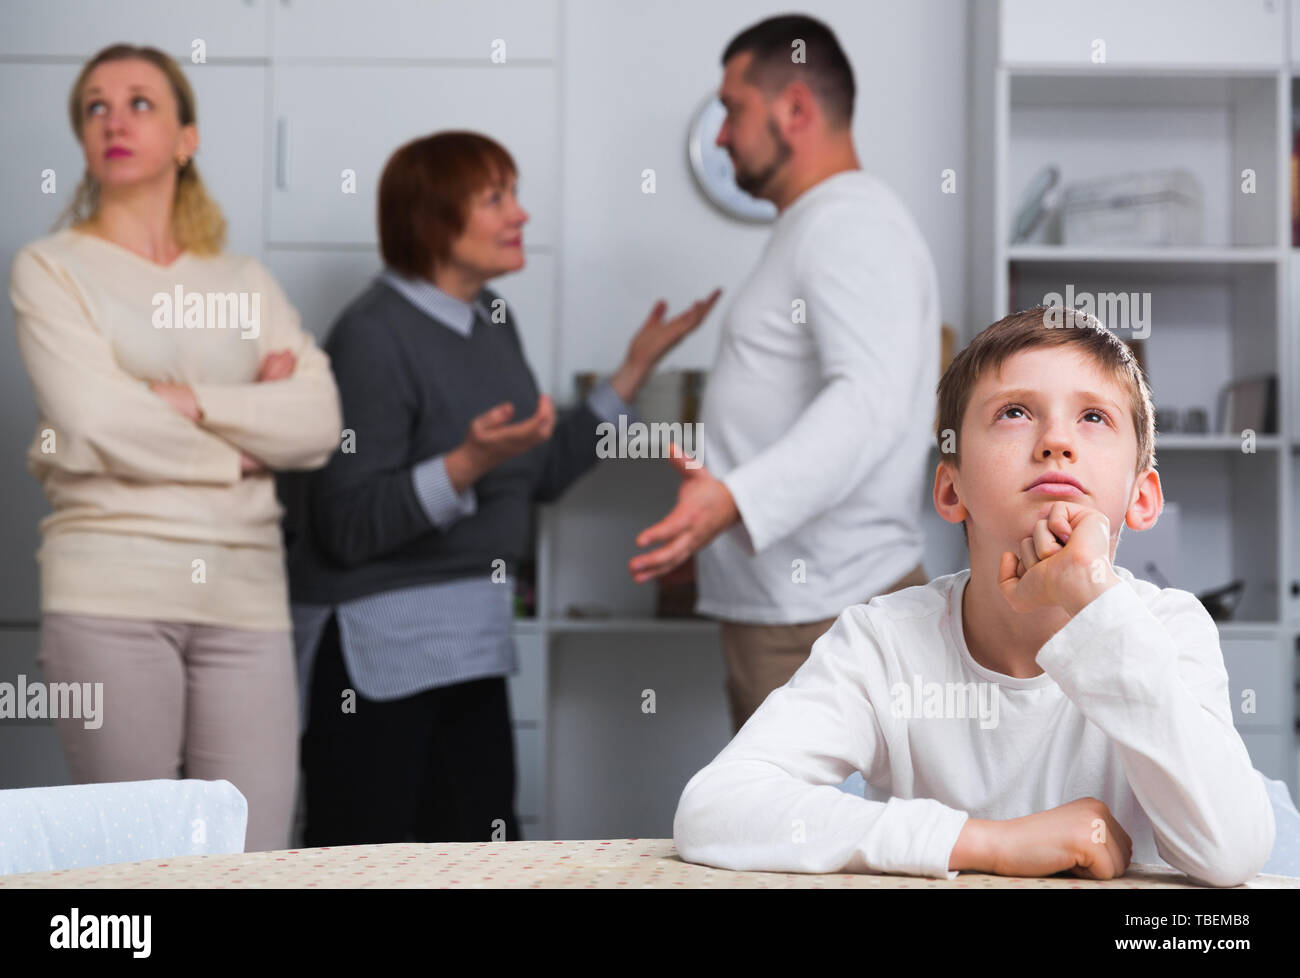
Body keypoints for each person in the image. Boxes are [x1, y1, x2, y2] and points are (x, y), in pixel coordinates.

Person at [672, 306, 1277, 886]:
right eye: (1015, 411)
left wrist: (1093, 595)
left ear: (1142, 498)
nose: (1056, 441)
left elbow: (1232, 852)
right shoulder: (882, 640)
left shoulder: (1170, 628)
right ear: (950, 488)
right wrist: (993, 843)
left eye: (1093, 417)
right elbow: (715, 807)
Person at [284, 130, 720, 846]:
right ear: (430, 219)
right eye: (496, 198)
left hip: (472, 643)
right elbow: (346, 524)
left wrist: (632, 372)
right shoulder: (371, 335)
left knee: (482, 860)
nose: (519, 214)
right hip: (379, 657)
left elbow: (534, 474)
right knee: (366, 859)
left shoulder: (492, 320)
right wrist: (462, 465)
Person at [8, 44, 342, 852]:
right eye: (95, 105)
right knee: (134, 860)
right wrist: (240, 445)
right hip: (110, 588)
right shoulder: (50, 269)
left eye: (140, 102)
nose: (114, 118)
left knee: (254, 856)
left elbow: (318, 421)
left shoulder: (243, 282)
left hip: (246, 591)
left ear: (186, 138)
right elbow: (89, 421)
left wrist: (190, 402)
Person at [629, 14, 940, 734]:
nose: (721, 135)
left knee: (808, 845)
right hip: (801, 609)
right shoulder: (820, 223)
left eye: (732, 109)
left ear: (795, 107)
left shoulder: (850, 225)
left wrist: (732, 499)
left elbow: (869, 400)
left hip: (821, 614)